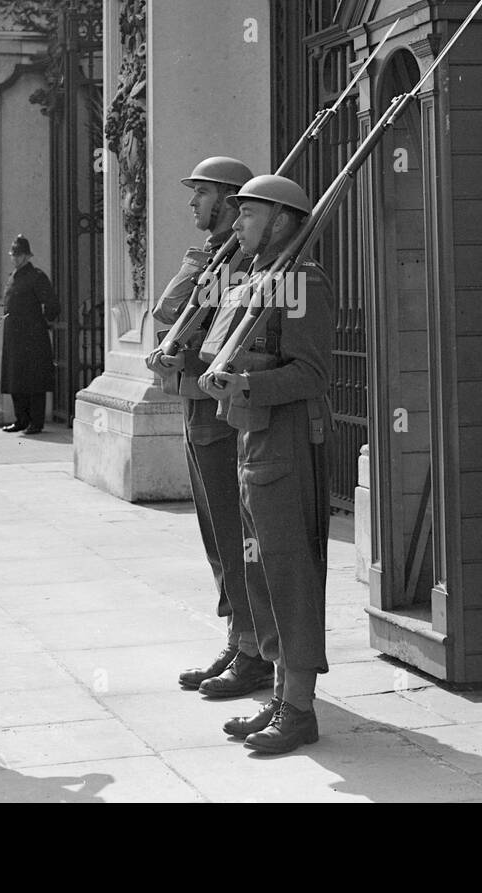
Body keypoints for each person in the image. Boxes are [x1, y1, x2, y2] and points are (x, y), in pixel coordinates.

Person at [199, 175, 334, 754]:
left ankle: (300, 709)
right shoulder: (258, 280)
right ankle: (282, 697)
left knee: (289, 574)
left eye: (248, 215)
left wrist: (246, 382)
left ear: (281, 219)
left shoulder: (303, 280)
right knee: (261, 573)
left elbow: (312, 374)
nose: (237, 225)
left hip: (287, 444)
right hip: (253, 440)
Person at [144, 156, 274, 699]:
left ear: (225, 196)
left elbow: (238, 333)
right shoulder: (211, 258)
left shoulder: (246, 262)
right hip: (196, 409)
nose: (193, 203)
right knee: (217, 538)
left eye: (200, 193)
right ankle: (237, 635)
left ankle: (254, 650)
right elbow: (164, 312)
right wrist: (199, 259)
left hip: (221, 415)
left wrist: (189, 354)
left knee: (235, 533)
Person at [0, 235, 60, 435]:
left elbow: (52, 304)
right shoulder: (12, 276)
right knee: (16, 379)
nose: (15, 258)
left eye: (19, 255)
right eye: (13, 254)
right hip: (13, 338)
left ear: (27, 256)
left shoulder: (37, 276)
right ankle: (21, 419)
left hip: (33, 337)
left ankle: (36, 422)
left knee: (34, 381)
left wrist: (44, 322)